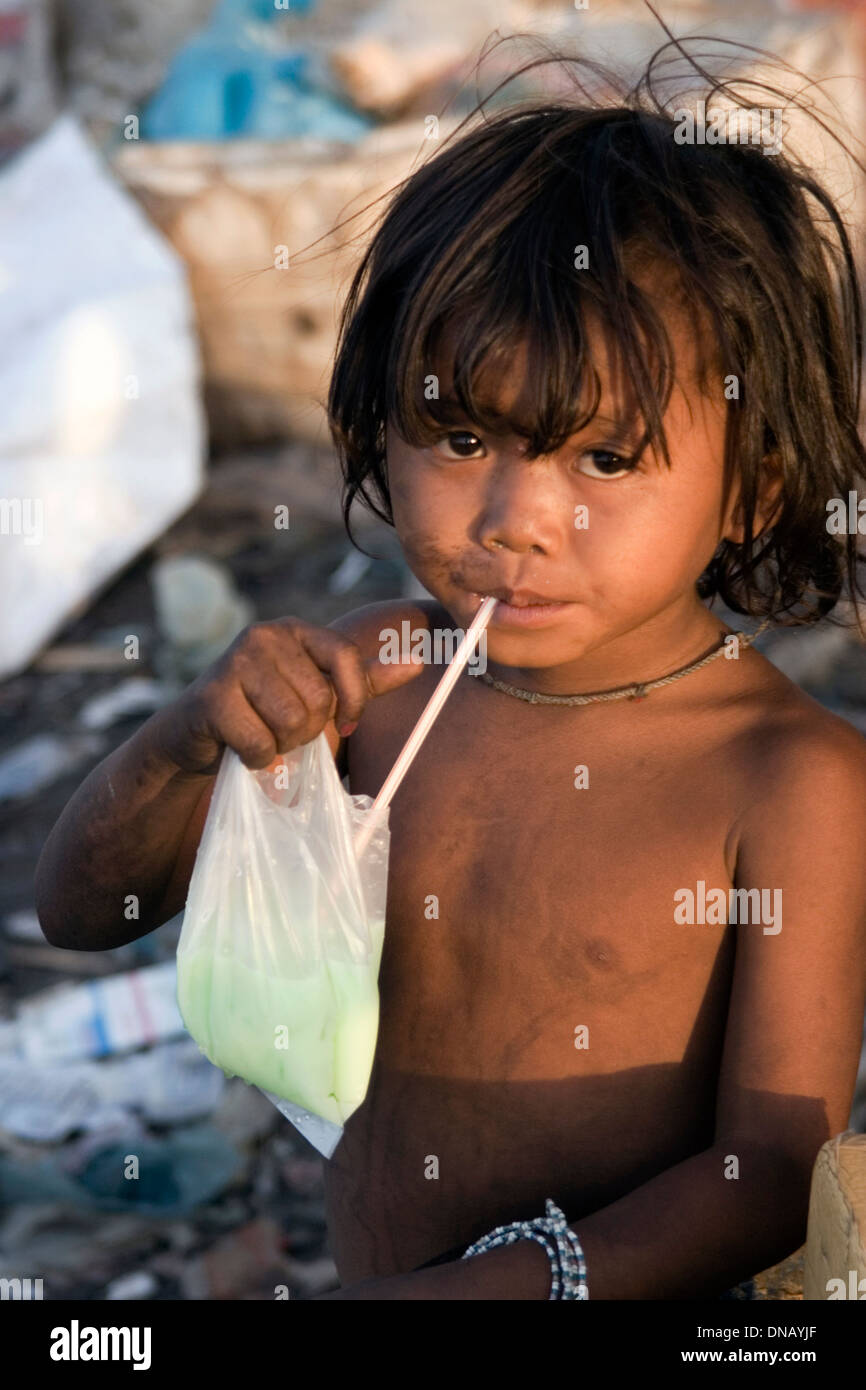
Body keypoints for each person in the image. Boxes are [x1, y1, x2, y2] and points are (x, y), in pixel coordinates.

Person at [35, 39, 866, 1299]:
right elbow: (90, 914)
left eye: (605, 458)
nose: (514, 520)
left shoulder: (788, 783)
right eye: (462, 434)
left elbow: (767, 1167)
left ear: (750, 487)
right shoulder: (376, 676)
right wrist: (189, 737)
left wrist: (510, 1289)